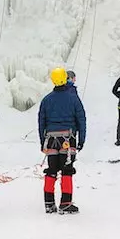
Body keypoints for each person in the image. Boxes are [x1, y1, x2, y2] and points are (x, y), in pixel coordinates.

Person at [38, 67, 87, 214]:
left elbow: (41, 121)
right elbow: (81, 119)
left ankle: (49, 203)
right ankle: (65, 202)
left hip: (51, 139)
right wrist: (81, 139)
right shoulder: (73, 98)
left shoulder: (46, 99)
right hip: (68, 138)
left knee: (51, 170)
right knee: (67, 170)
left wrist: (42, 142)